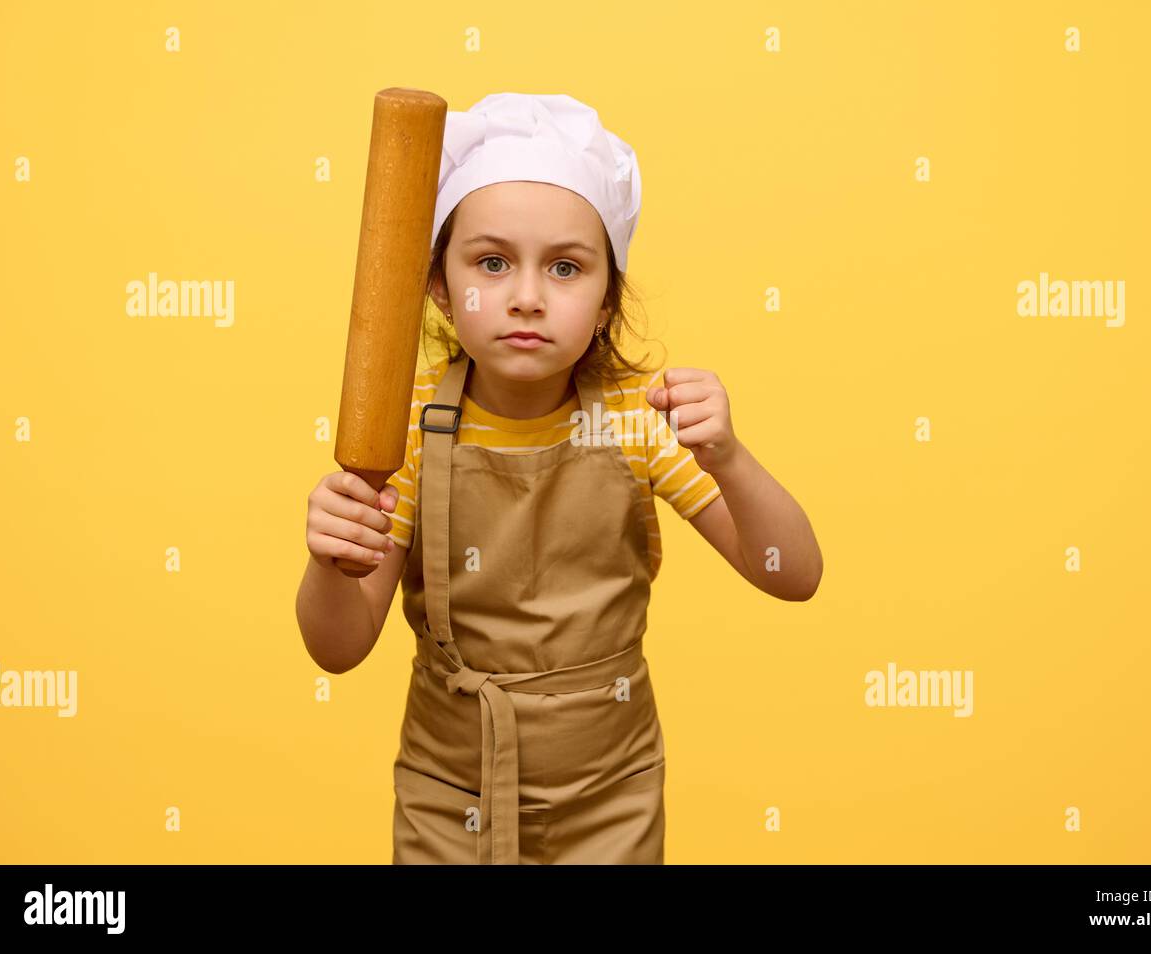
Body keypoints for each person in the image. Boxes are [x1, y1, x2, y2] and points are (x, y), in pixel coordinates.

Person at [295, 92, 823, 864]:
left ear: (608, 299)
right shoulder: (403, 426)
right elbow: (338, 648)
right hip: (450, 798)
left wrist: (731, 461)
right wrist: (329, 560)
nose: (527, 297)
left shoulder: (641, 418)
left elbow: (795, 575)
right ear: (438, 283)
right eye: (492, 262)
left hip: (609, 801)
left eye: (566, 268)